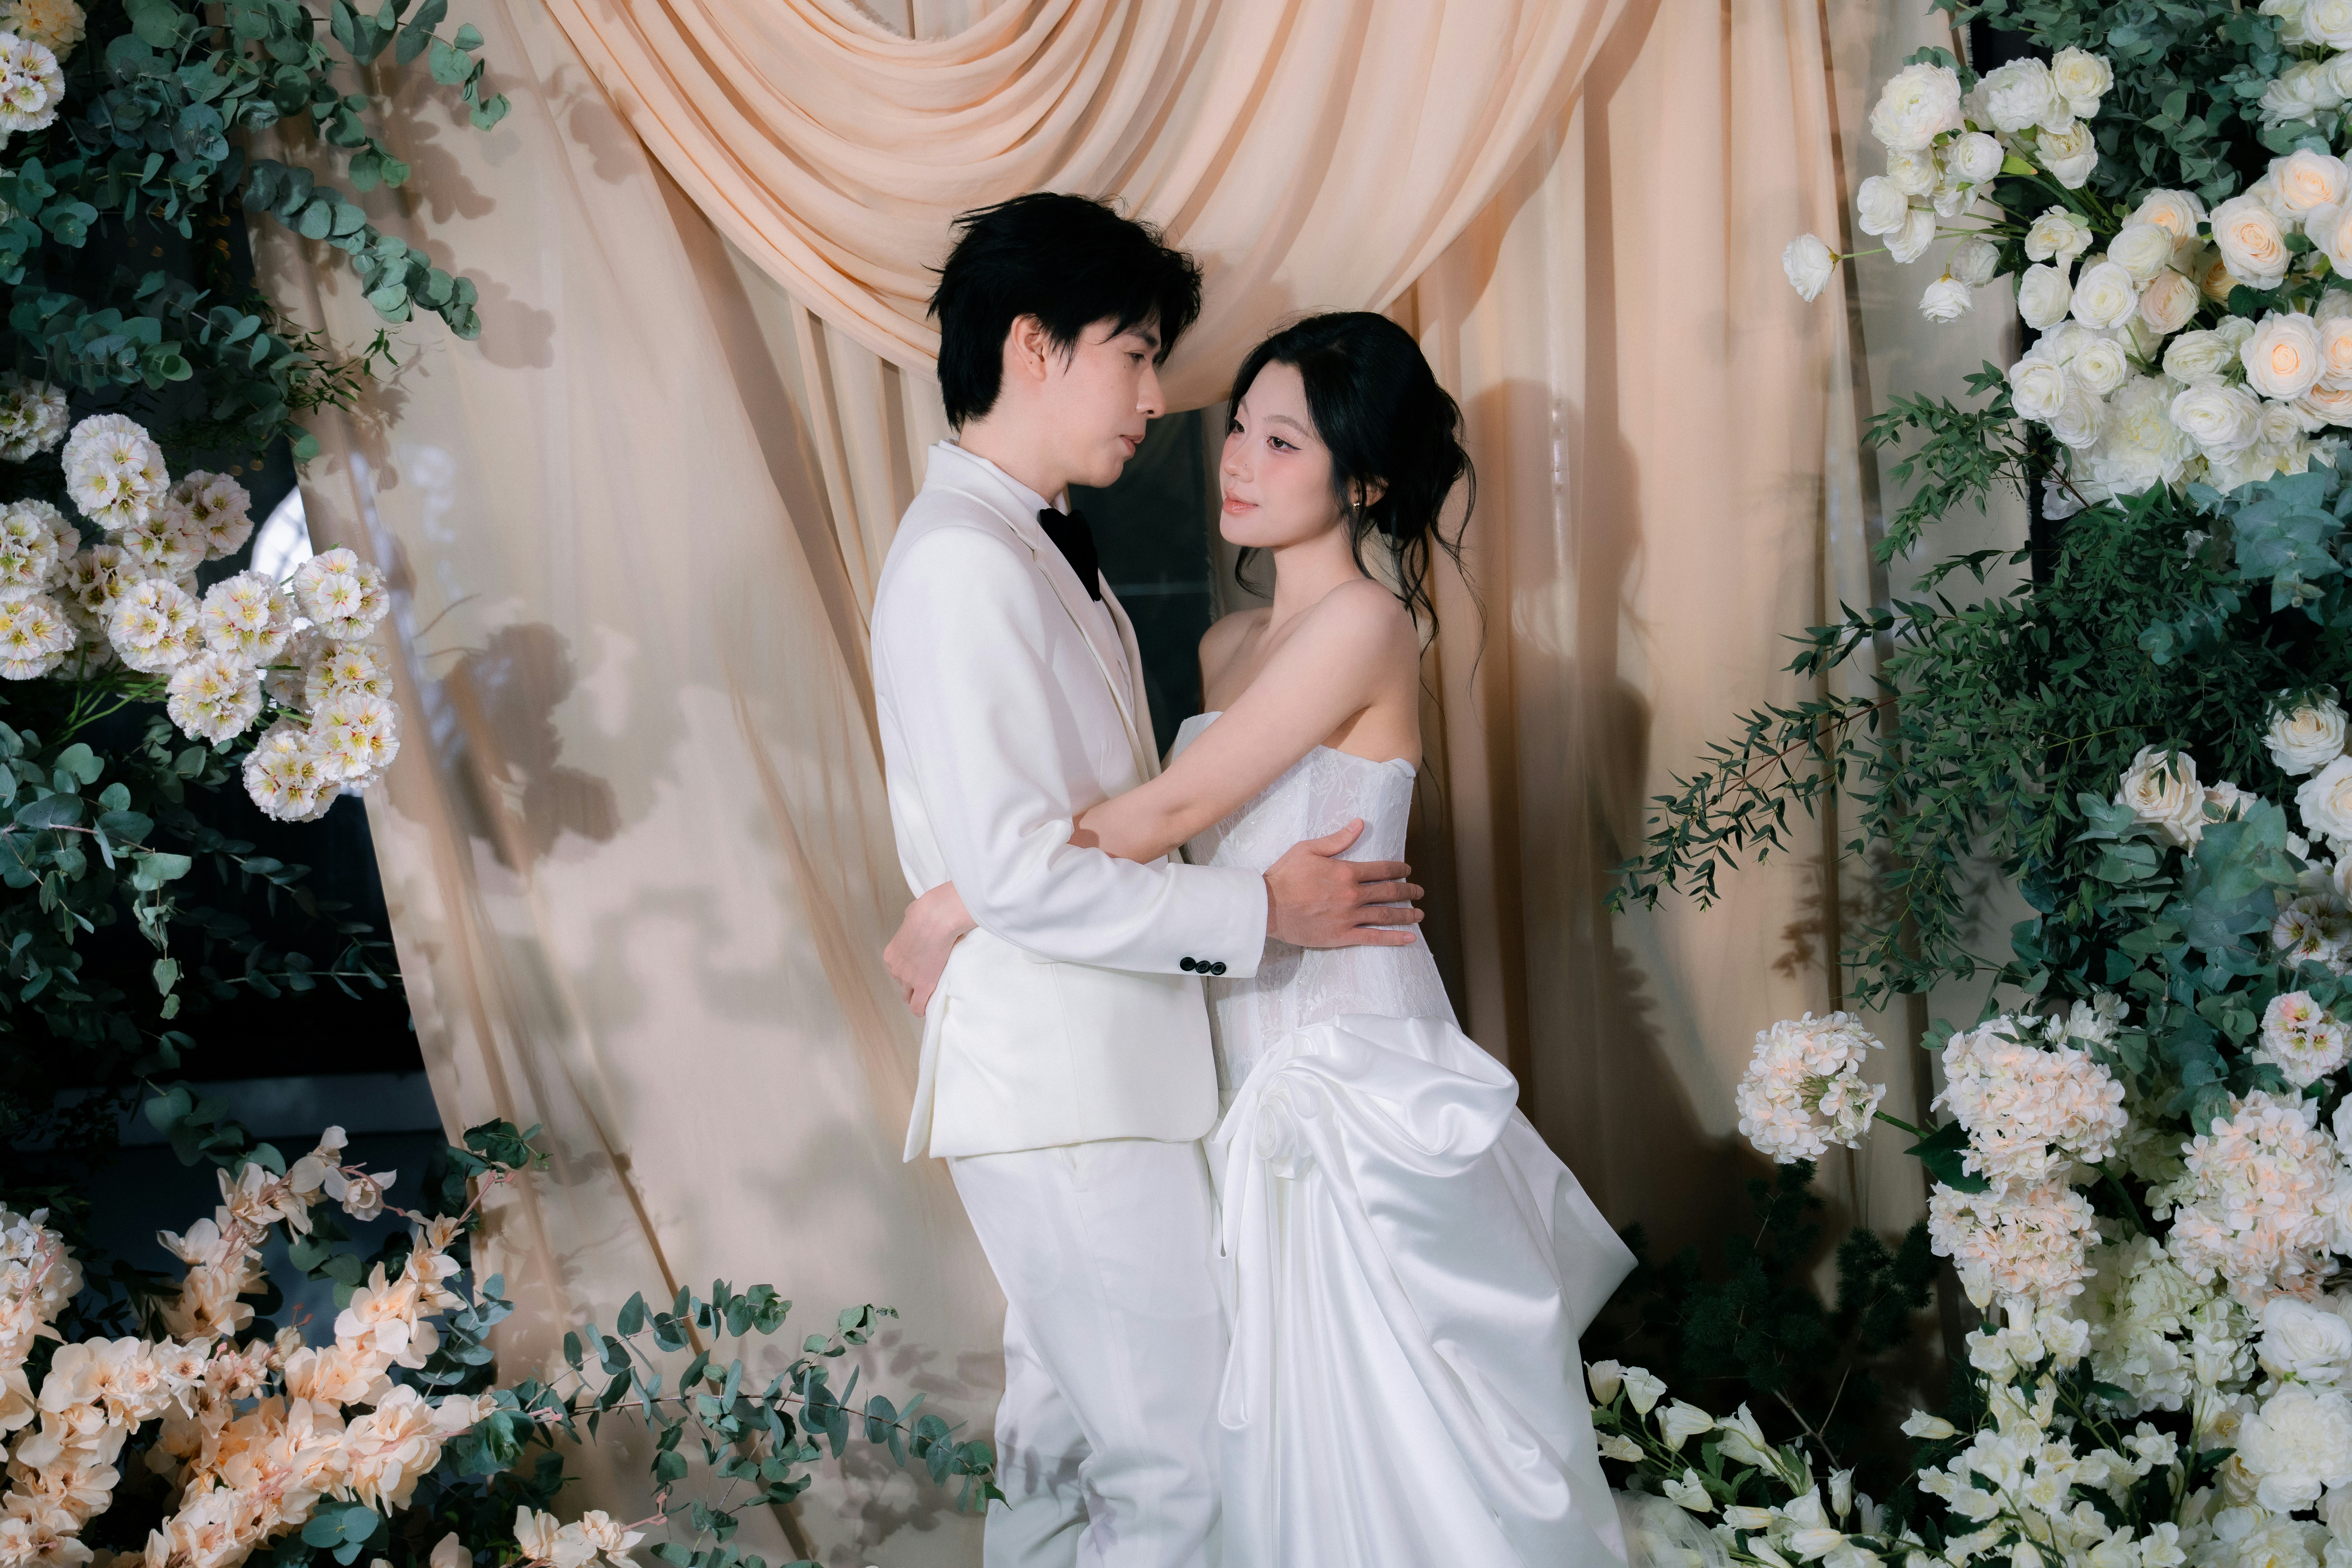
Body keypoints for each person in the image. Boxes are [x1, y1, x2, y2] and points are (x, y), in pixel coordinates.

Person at [887, 311, 1639, 1568]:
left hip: (1344, 1067)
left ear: (1368, 481)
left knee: (1383, 1414)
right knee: (1244, 1429)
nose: (1238, 458)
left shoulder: (1365, 624)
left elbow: (1178, 809)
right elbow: (1184, 835)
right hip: (1230, 1061)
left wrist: (960, 900)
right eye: (1239, 426)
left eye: (1282, 441)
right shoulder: (1224, 644)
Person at [869, 198, 1426, 1568]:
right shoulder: (960, 561)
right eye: (1133, 353)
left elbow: (1062, 832)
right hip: (1066, 1078)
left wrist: (959, 896)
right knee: (1179, 1473)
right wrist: (1261, 913)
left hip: (1106, 1066)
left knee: (1062, 1462)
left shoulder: (1042, 548)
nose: (1160, 397)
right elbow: (1030, 869)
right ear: (1034, 345)